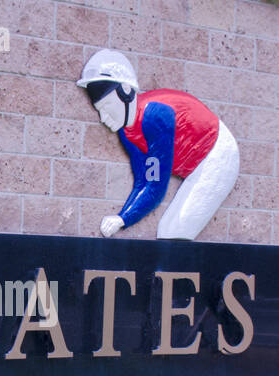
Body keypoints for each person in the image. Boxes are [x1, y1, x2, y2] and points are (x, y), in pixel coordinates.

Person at [77, 49, 240, 241]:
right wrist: (122, 217)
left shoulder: (154, 116)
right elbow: (143, 181)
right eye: (99, 110)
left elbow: (155, 186)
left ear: (126, 92)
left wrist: (123, 219)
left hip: (217, 154)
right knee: (170, 230)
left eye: (107, 107)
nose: (104, 118)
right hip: (195, 164)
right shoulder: (126, 132)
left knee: (173, 231)